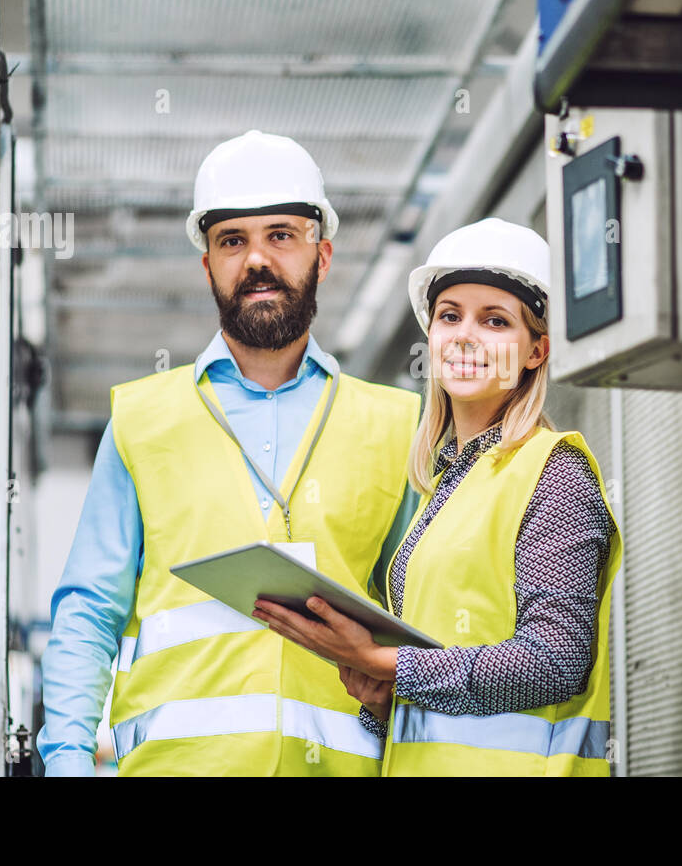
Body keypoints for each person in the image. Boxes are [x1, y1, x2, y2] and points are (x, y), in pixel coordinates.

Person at [36, 130, 421, 777]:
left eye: (281, 235)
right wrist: (68, 763)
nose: (256, 260)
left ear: (322, 256)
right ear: (207, 264)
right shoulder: (142, 420)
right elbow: (89, 613)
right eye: (232, 240)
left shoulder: (397, 425)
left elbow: (425, 628)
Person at [253, 217, 623, 776]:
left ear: (536, 351)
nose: (466, 335)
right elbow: (437, 693)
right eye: (450, 316)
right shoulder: (447, 484)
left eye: (495, 320)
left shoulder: (553, 471)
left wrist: (388, 662)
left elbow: (556, 660)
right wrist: (381, 695)